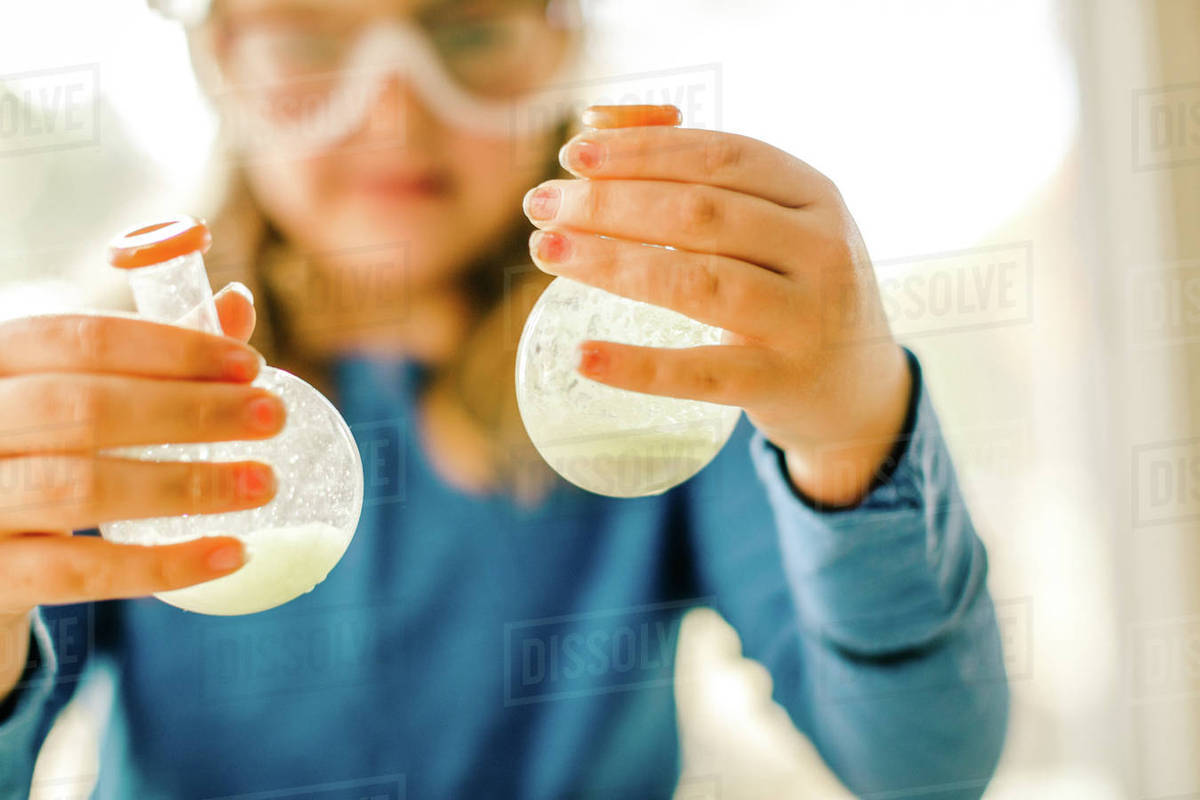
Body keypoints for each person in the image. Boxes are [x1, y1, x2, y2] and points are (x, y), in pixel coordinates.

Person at [0, 1, 1009, 798]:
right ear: (220, 62)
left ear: (557, 43)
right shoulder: (113, 410)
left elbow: (924, 763)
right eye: (311, 35)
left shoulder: (663, 379)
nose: (395, 111)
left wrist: (851, 432)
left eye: (470, 29)